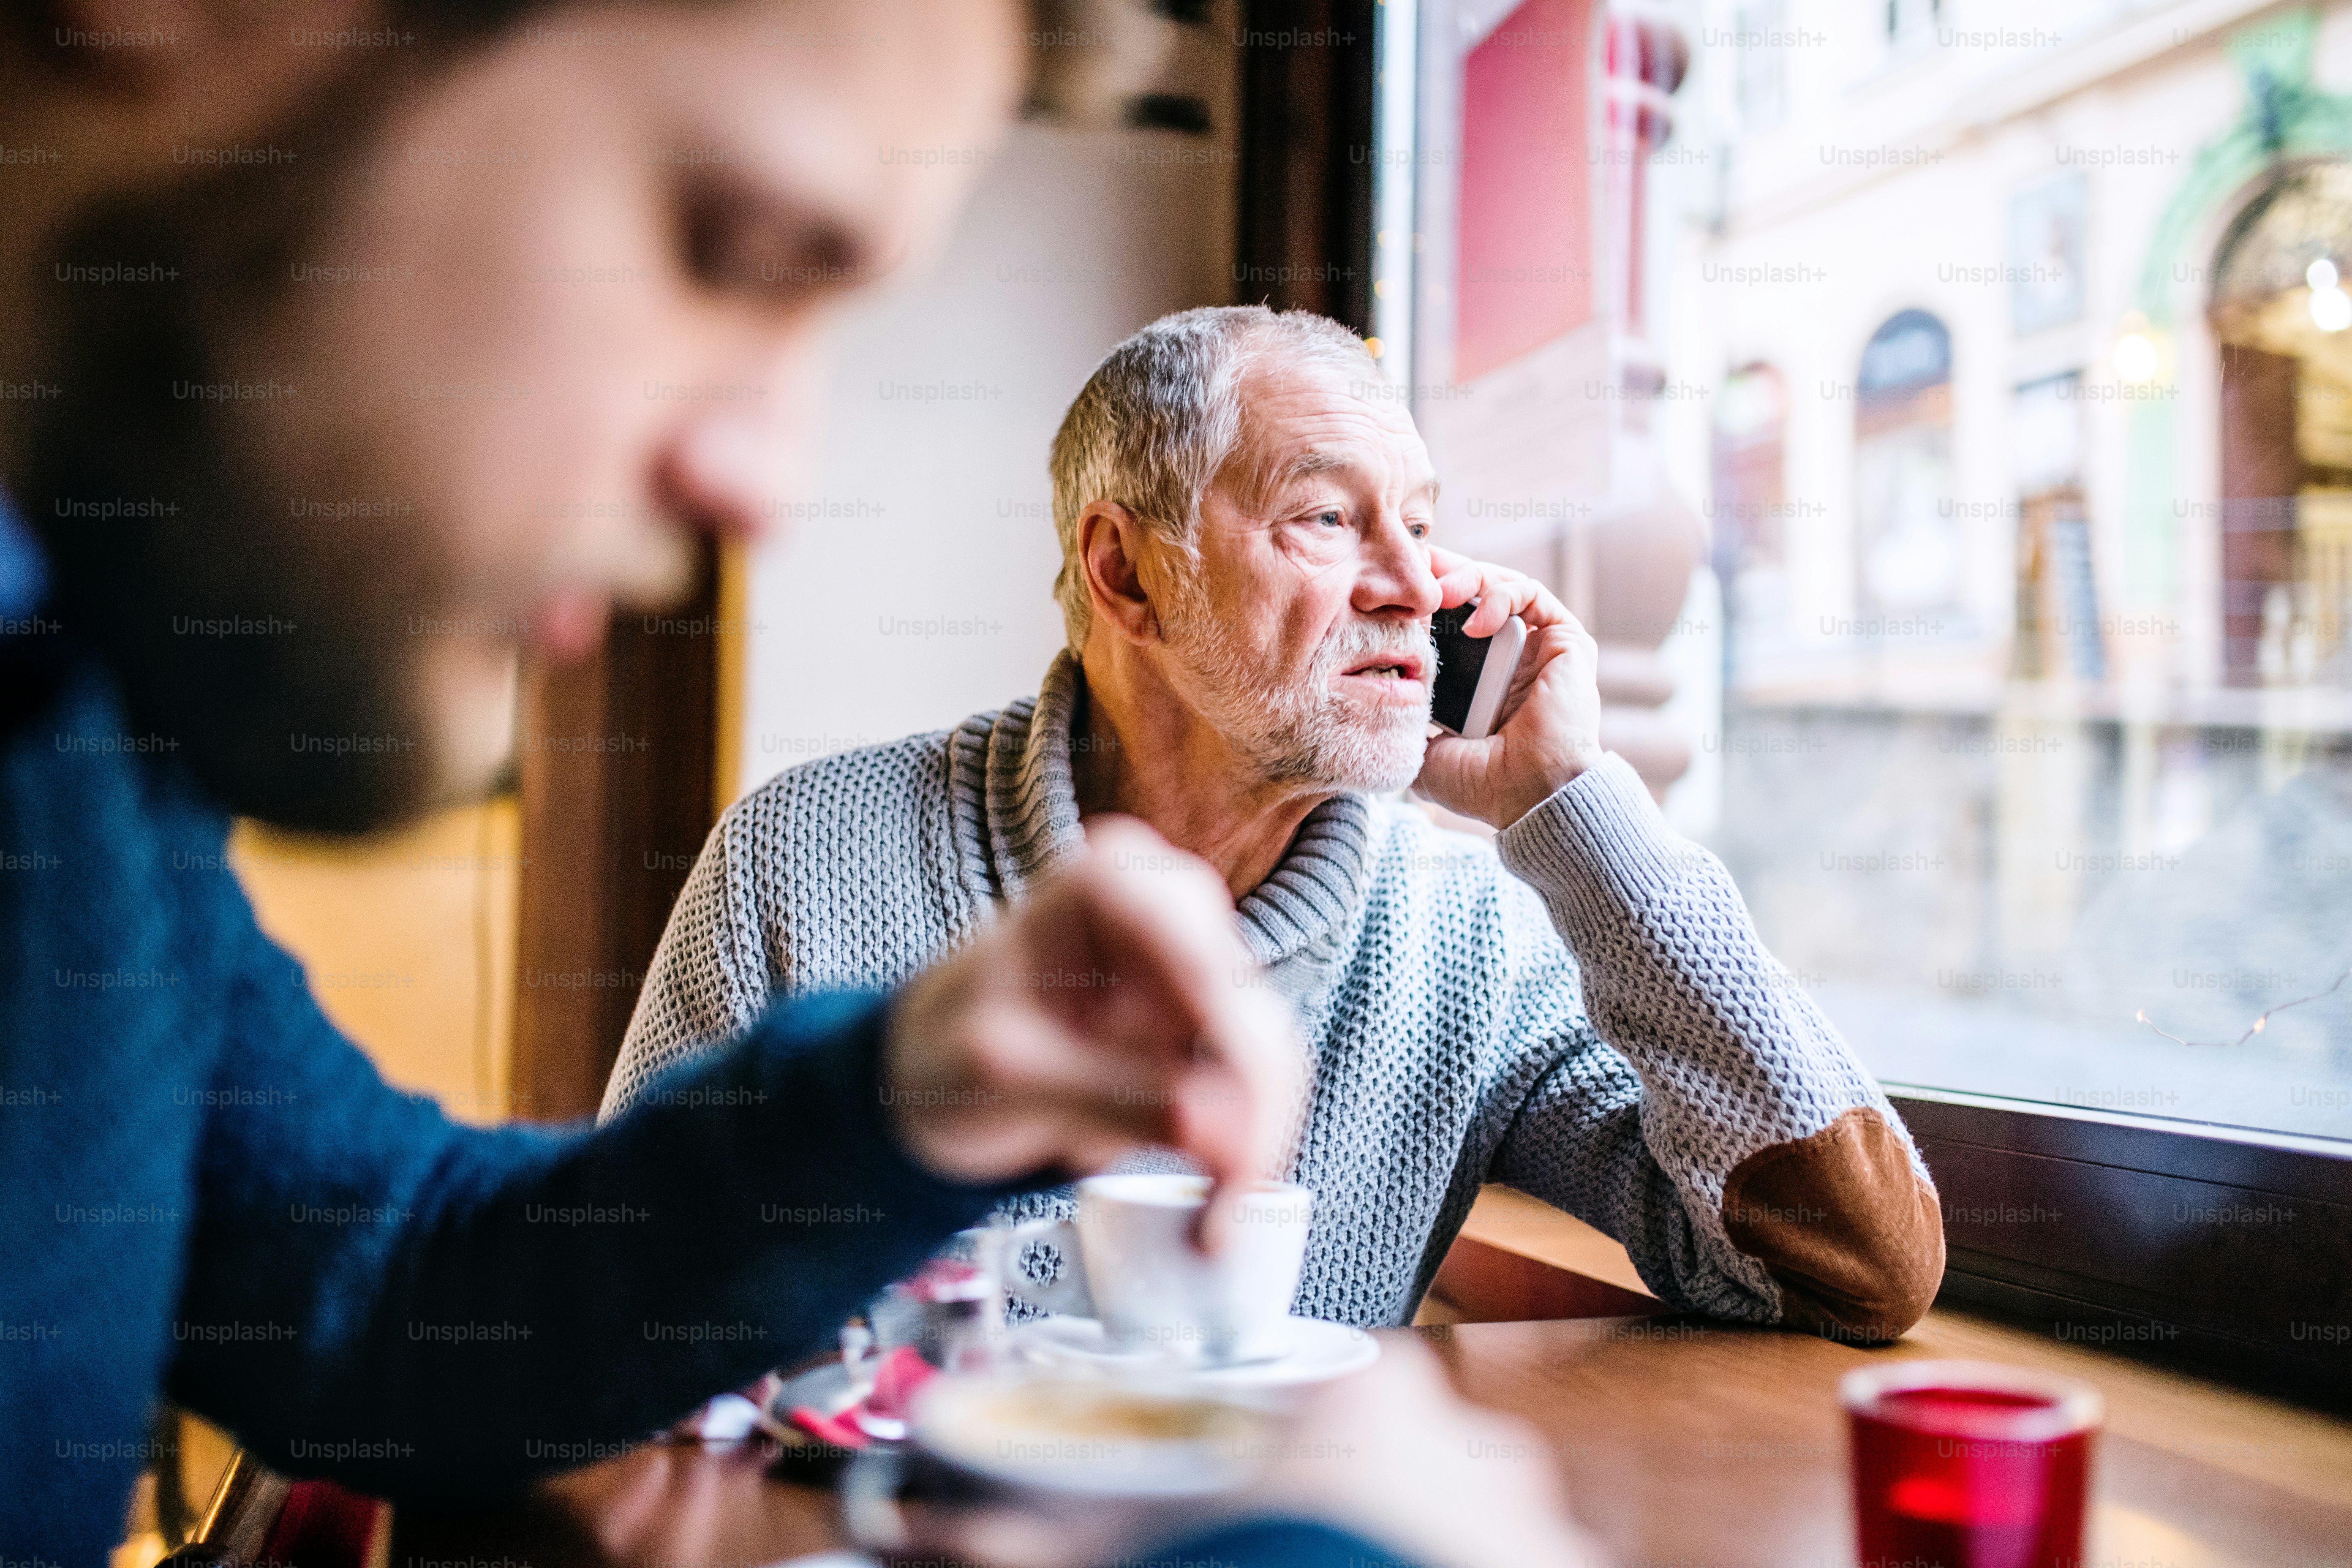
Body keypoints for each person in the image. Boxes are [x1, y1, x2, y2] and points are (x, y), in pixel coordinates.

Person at [0, 5, 1587, 1565]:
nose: (761, 475)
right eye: (729, 248)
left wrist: (903, 1097)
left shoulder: (75, 754)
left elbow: (395, 1301)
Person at [607, 306, 1949, 1341]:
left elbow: (1856, 1271)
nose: (1418, 585)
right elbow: (624, 1307)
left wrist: (1573, 811)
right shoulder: (806, 858)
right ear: (1126, 574)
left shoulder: (1469, 938)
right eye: (1326, 520)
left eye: (1423, 525)